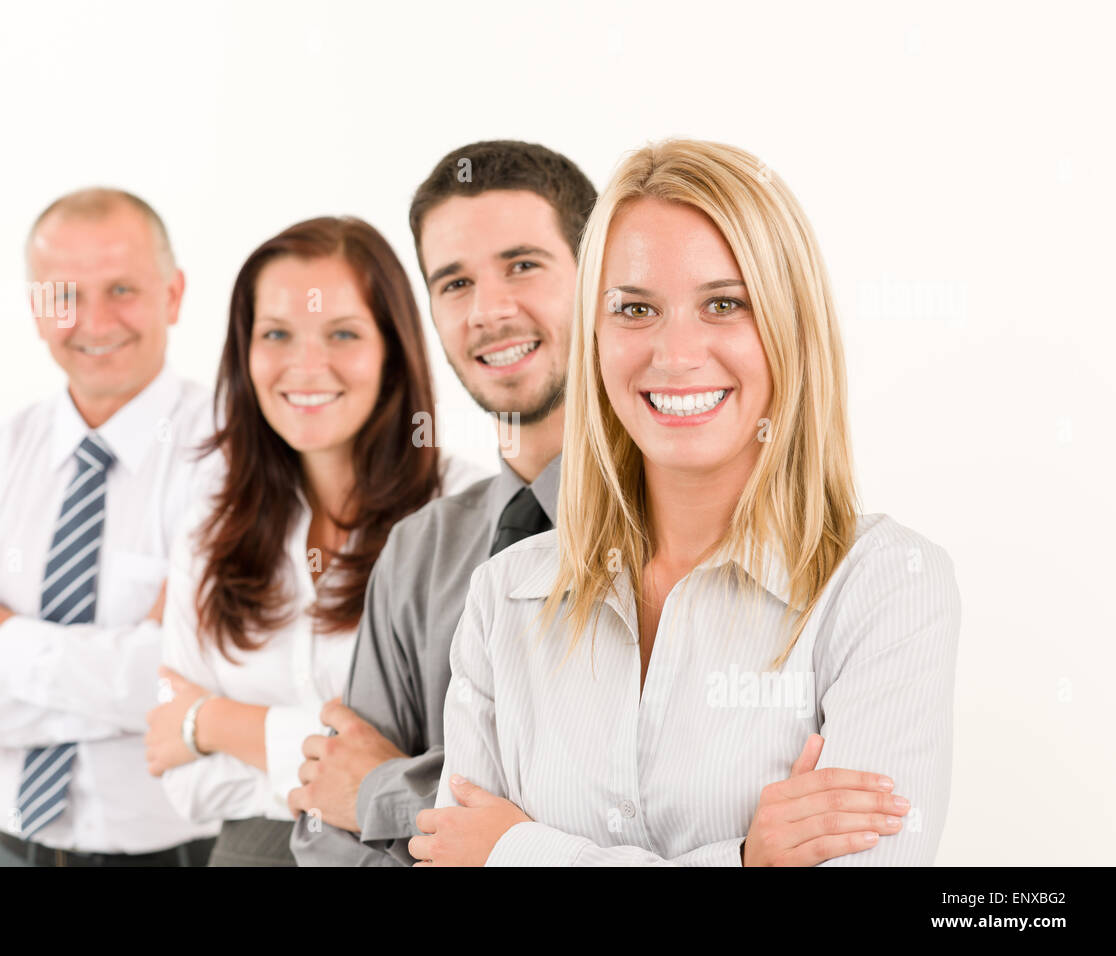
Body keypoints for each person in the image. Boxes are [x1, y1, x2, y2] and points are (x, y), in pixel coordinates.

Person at [411, 139, 961, 867]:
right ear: (594, 337)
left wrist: (515, 849)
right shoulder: (504, 597)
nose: (675, 355)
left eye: (724, 304)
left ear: (791, 325)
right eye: (635, 308)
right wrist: (748, 860)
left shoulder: (885, 586)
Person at [287, 141, 595, 865]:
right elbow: (328, 832)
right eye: (455, 283)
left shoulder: (678, 521)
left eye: (523, 265)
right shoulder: (420, 549)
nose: (490, 310)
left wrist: (384, 792)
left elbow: (622, 821)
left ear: (601, 275)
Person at [143, 216, 486, 866]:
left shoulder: (467, 516)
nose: (305, 366)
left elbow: (465, 774)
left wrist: (218, 724)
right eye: (276, 334)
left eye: (342, 333)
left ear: (392, 350)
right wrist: (357, 780)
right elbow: (181, 776)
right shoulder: (211, 524)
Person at [0, 187, 220, 866]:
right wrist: (134, 685)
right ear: (35, 308)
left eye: (122, 290)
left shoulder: (233, 454)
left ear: (172, 295)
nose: (94, 321)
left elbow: (203, 682)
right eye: (64, 295)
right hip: (14, 853)